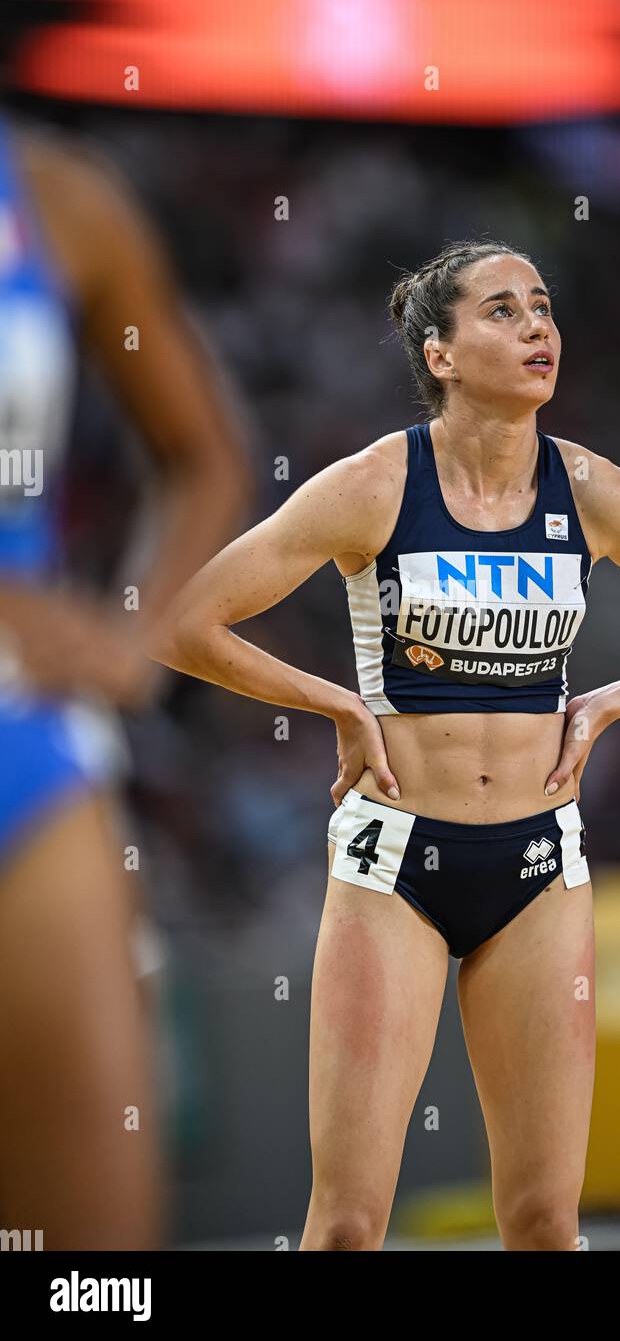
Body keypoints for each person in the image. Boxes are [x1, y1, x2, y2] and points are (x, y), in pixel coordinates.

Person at [151, 240, 620, 1251]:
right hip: (392, 859)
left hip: (536, 863)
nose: (536, 327)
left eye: (542, 307)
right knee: (349, 1224)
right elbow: (187, 620)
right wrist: (340, 706)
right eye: (501, 310)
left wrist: (608, 703)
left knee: (541, 1221)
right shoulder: (371, 486)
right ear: (437, 353)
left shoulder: (593, 492)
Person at [0, 107, 253, 1249]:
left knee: (93, 1266)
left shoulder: (57, 199)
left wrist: (137, 636)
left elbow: (205, 457)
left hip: (22, 754)